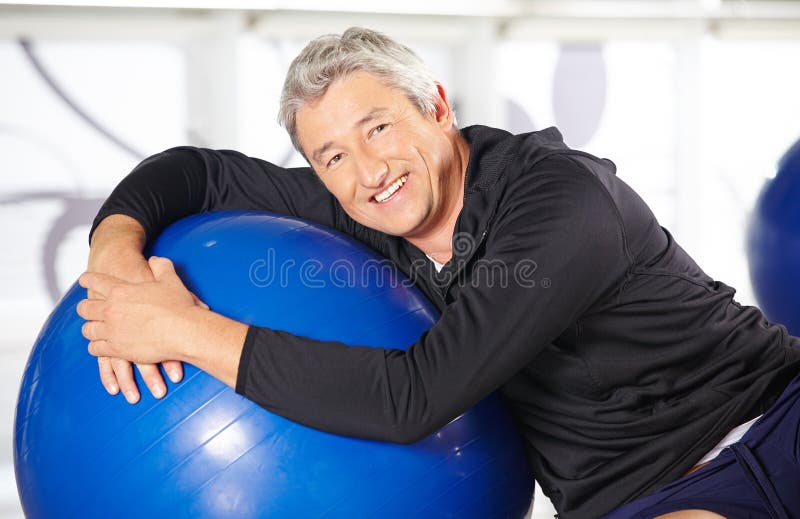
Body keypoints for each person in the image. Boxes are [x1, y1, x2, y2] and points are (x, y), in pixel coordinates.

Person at [77, 27, 800, 518]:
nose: (368, 171)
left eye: (379, 127)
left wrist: (182, 329)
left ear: (437, 108)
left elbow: (414, 396)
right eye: (331, 156)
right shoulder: (361, 205)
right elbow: (192, 173)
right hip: (644, 497)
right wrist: (111, 261)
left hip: (776, 420)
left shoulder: (561, 200)